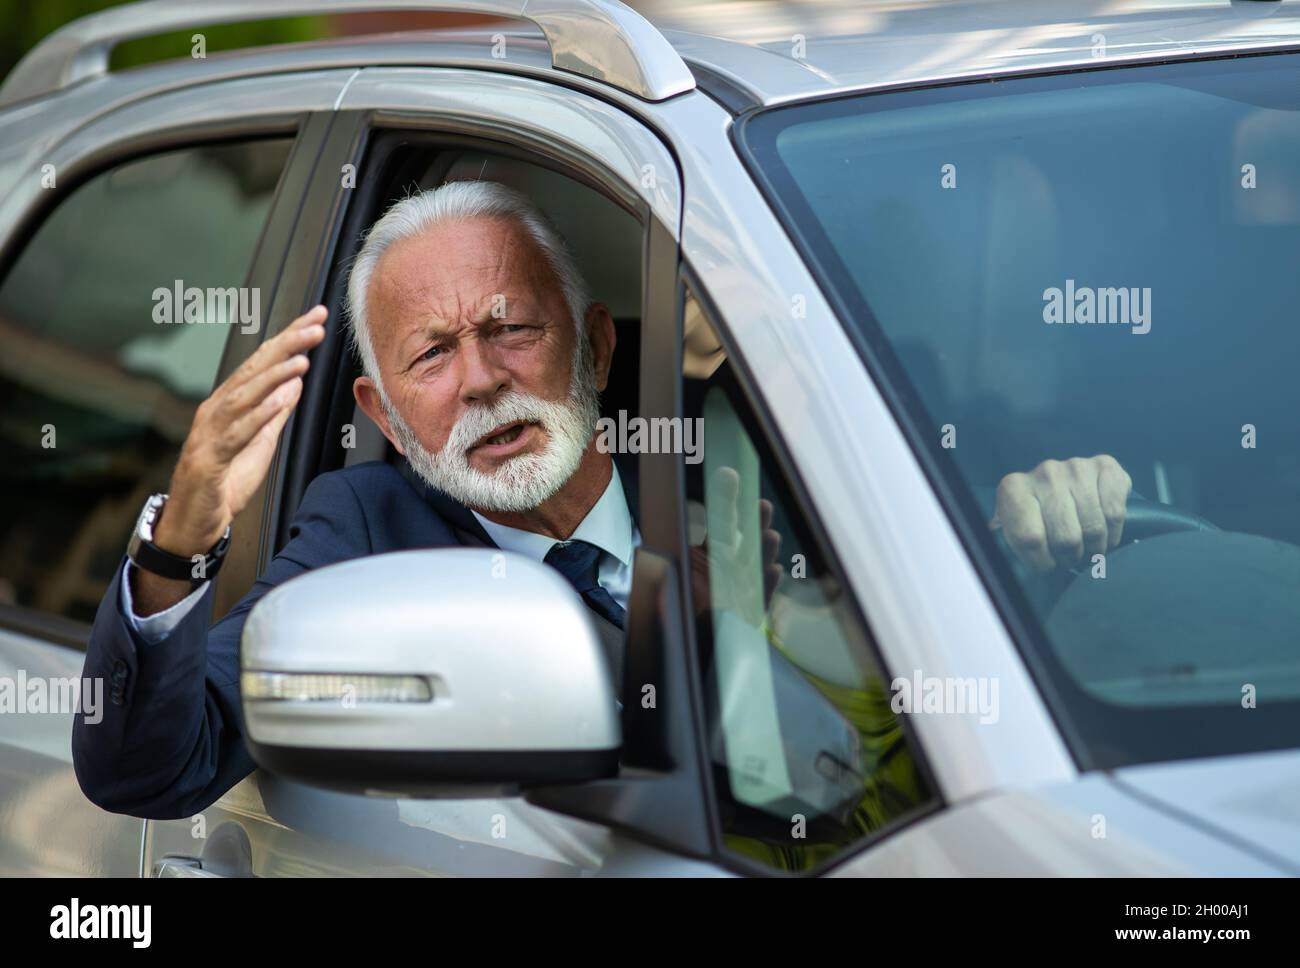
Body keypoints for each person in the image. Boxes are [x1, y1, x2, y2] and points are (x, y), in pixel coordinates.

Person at [72, 180, 1132, 819]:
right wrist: (183, 536)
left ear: (599, 344)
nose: (482, 377)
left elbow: (921, 645)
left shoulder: (746, 460)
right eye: (432, 353)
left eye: (512, 328)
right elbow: (149, 767)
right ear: (386, 417)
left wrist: (1025, 540)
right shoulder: (364, 532)